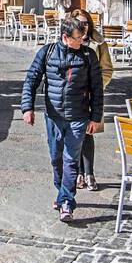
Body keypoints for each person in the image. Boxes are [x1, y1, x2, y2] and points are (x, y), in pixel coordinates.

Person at [21, 15, 103, 223]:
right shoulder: (47, 53)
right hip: (53, 116)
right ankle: (61, 191)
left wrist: (95, 117)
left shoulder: (88, 55)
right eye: (78, 37)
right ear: (65, 37)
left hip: (78, 116)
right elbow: (31, 80)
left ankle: (67, 201)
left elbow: (97, 89)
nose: (82, 40)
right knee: (56, 158)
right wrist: (27, 108)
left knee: (70, 159)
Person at [70, 9, 113, 192]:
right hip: (73, 97)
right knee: (74, 134)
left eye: (86, 23)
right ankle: (78, 173)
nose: (84, 27)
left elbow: (107, 69)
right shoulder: (68, 42)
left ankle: (89, 173)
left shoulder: (99, 43)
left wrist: (96, 86)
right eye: (80, 23)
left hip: (91, 96)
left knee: (88, 133)